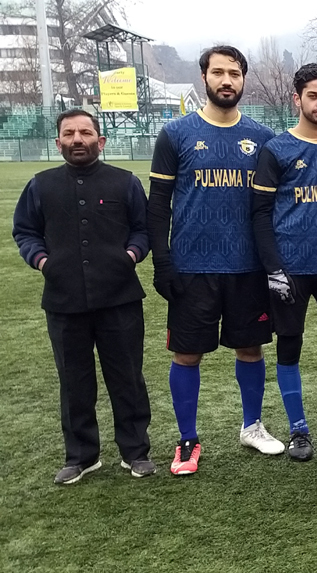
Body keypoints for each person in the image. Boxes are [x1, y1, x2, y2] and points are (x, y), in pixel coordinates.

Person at [147, 45, 281, 476]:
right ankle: (187, 439)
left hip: (248, 267)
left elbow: (271, 207)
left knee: (251, 348)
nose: (227, 81)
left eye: (235, 73)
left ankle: (252, 426)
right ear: (204, 77)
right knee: (187, 354)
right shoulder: (176, 134)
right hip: (192, 268)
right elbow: (158, 206)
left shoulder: (261, 138)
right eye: (219, 72)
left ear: (244, 79)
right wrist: (163, 263)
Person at [13, 110, 154, 484]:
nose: (78, 139)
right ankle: (81, 457)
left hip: (120, 299)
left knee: (127, 379)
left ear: (100, 141)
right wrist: (42, 261)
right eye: (69, 134)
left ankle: (135, 452)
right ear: (58, 142)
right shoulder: (40, 185)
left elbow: (144, 230)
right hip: (63, 302)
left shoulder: (124, 183)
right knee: (74, 382)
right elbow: (25, 232)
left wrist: (130, 256)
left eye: (86, 132)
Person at [250, 63, 317, 462]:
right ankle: (299, 431)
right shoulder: (276, 149)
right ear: (298, 98)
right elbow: (259, 214)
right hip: (290, 268)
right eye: (314, 95)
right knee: (289, 345)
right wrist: (273, 267)